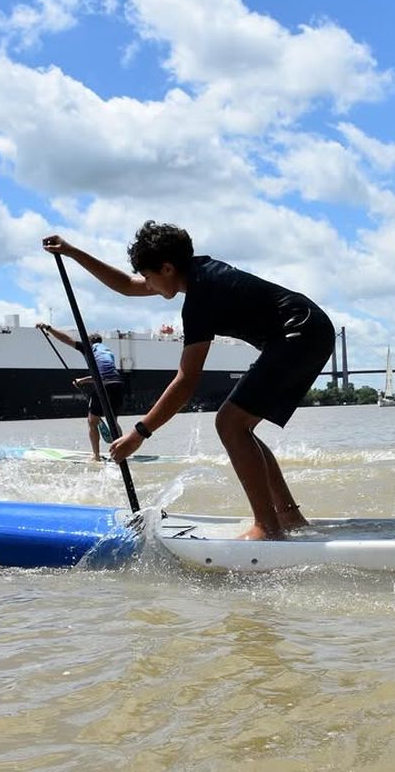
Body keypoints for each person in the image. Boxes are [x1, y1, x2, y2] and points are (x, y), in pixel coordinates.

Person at [42, 221, 335, 540]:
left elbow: (186, 381)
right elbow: (127, 284)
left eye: (149, 275)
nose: (147, 283)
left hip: (300, 333)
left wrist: (139, 433)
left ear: (166, 268)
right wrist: (72, 253)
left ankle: (267, 526)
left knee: (229, 424)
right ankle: (286, 516)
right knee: (239, 425)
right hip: (309, 328)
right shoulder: (194, 274)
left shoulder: (201, 296)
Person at [36, 323, 124, 461]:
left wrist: (49, 329)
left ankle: (96, 456)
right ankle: (121, 453)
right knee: (113, 421)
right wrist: (82, 381)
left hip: (104, 385)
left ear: (89, 341)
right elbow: (103, 374)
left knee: (92, 421)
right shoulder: (107, 352)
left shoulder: (88, 348)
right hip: (118, 384)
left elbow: (67, 340)